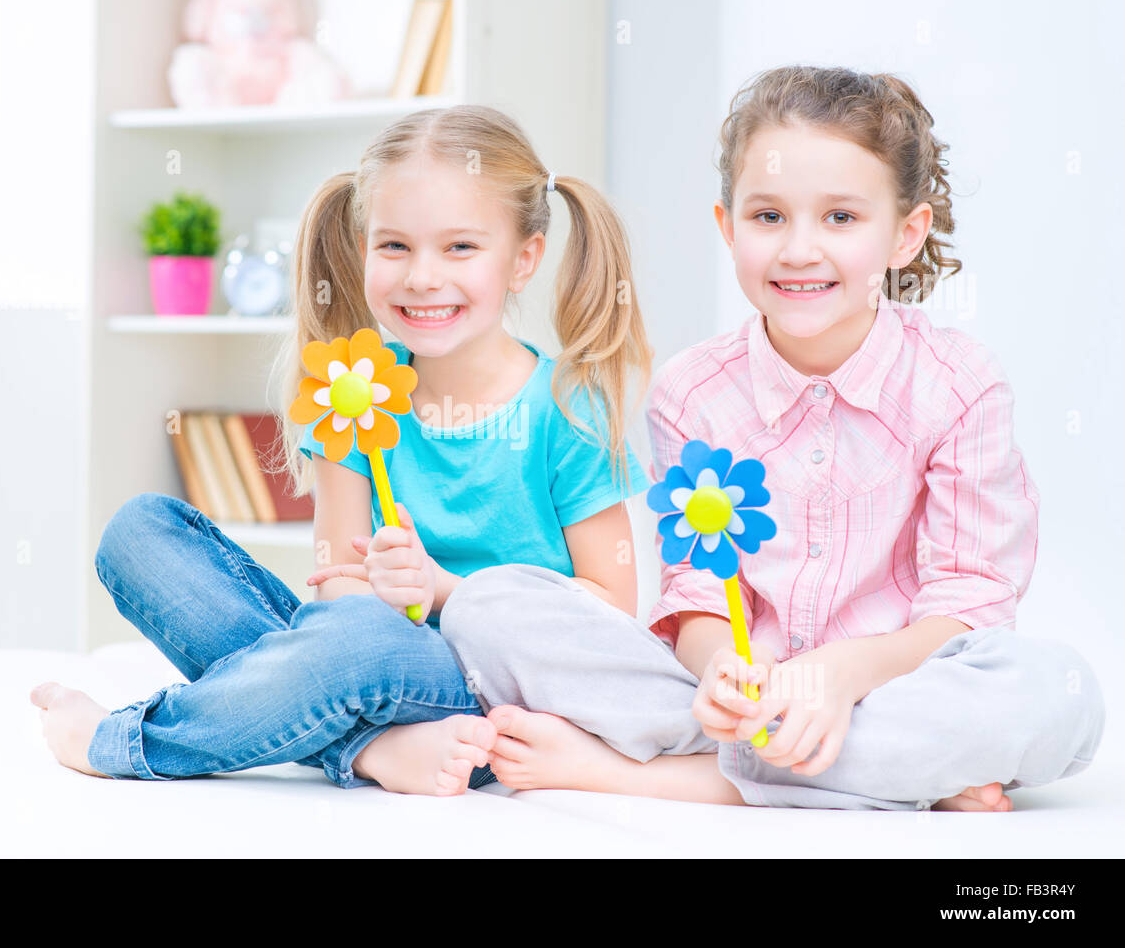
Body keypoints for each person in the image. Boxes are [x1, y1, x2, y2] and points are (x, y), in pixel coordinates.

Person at [439, 66, 1105, 811]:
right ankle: (899, 775)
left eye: (841, 219)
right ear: (728, 227)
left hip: (898, 688)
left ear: (905, 234)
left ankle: (645, 775)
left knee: (1057, 693)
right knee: (488, 604)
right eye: (768, 217)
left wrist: (841, 675)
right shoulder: (691, 391)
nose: (798, 250)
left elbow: (971, 603)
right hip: (737, 703)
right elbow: (694, 596)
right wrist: (722, 667)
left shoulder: (961, 383)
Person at [29, 104, 652, 796]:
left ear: (523, 259)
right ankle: (367, 749)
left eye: (460, 248)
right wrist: (380, 596)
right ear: (362, 253)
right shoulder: (349, 391)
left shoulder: (565, 408)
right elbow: (339, 582)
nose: (422, 276)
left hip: (491, 696)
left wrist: (442, 589)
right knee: (139, 534)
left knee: (351, 642)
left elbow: (612, 609)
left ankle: (118, 741)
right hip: (364, 649)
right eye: (394, 247)